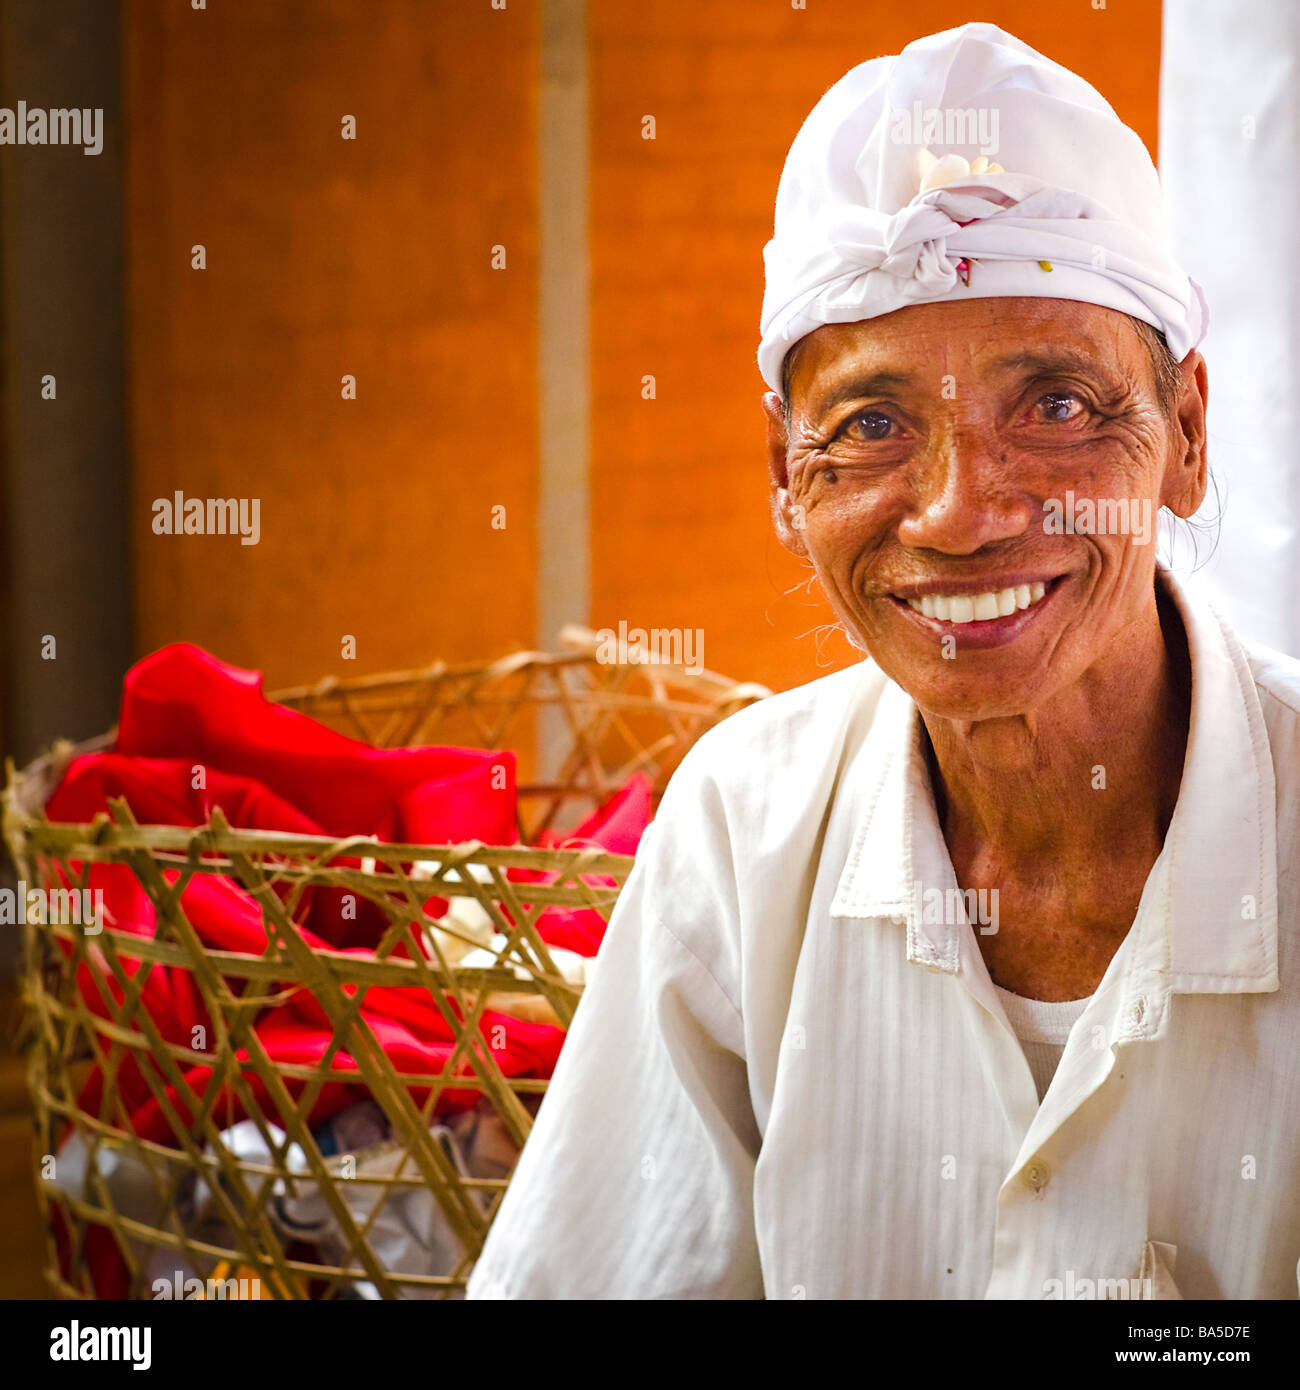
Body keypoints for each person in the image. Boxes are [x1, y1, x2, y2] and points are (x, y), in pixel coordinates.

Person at [466, 22, 1300, 1299]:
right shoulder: (744, 831)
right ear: (784, 483)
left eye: (1057, 405)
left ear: (1185, 434)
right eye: (870, 424)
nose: (960, 512)